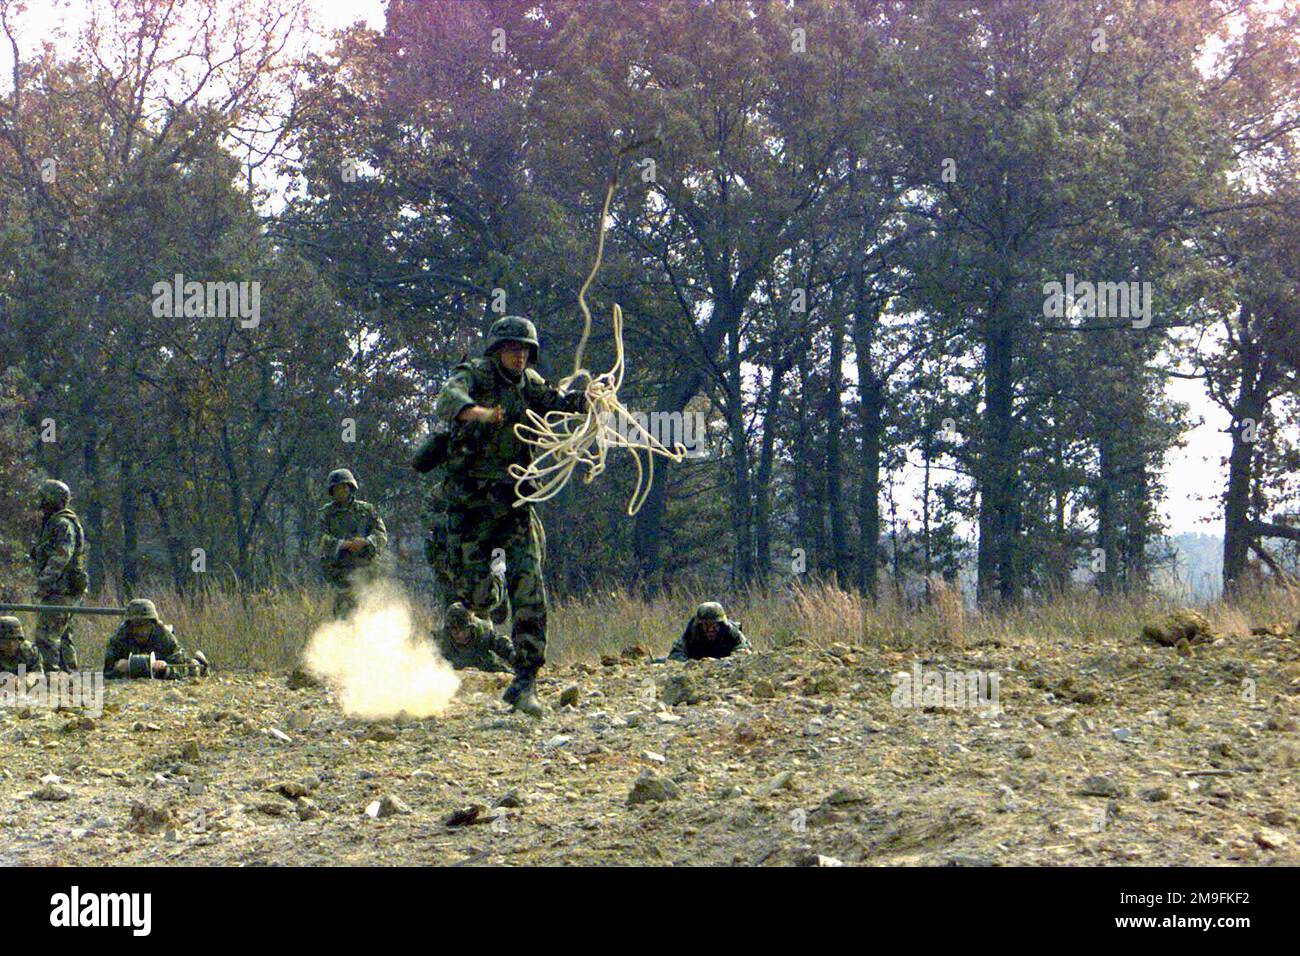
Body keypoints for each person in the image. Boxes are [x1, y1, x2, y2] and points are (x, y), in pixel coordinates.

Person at [431, 315, 587, 716]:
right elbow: (448, 397)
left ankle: (525, 681)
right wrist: (478, 413)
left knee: (531, 588)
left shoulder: (530, 384)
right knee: (474, 596)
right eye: (512, 348)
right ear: (497, 350)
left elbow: (560, 402)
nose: (519, 356)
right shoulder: (475, 375)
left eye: (525, 350)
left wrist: (588, 401)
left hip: (515, 504)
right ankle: (493, 585)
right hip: (472, 507)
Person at [29, 479, 88, 671]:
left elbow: (61, 556)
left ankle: (49, 674)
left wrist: (43, 582)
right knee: (62, 636)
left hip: (61, 590)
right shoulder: (56, 523)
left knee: (46, 636)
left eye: (44, 499)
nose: (42, 504)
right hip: (62, 589)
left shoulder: (62, 523)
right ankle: (68, 673)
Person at [317, 468, 388, 619]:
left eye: (344, 487)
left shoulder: (367, 510)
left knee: (372, 617)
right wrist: (343, 545)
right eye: (336, 488)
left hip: (368, 573)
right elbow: (319, 540)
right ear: (331, 491)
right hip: (341, 576)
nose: (341, 491)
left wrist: (366, 542)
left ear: (351, 488)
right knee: (344, 621)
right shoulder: (326, 514)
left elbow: (381, 535)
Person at [103, 599, 208, 679]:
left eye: (144, 625)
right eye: (135, 625)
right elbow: (107, 672)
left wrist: (165, 668)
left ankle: (199, 662)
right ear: (128, 625)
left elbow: (181, 667)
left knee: (192, 669)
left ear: (153, 624)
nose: (140, 631)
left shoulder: (164, 636)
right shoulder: (119, 638)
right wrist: (118, 669)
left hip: (162, 666)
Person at [668, 602, 751, 661]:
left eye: (714, 625)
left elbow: (744, 652)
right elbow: (675, 655)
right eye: (706, 625)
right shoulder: (691, 634)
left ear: (721, 624)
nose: (710, 629)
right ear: (700, 625)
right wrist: (693, 664)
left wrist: (721, 663)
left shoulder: (731, 633)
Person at [0, 616, 43, 688]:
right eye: (6, 641)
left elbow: (38, 674)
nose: (11, 644)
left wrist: (28, 680)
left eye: (15, 639)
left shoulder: (29, 651)